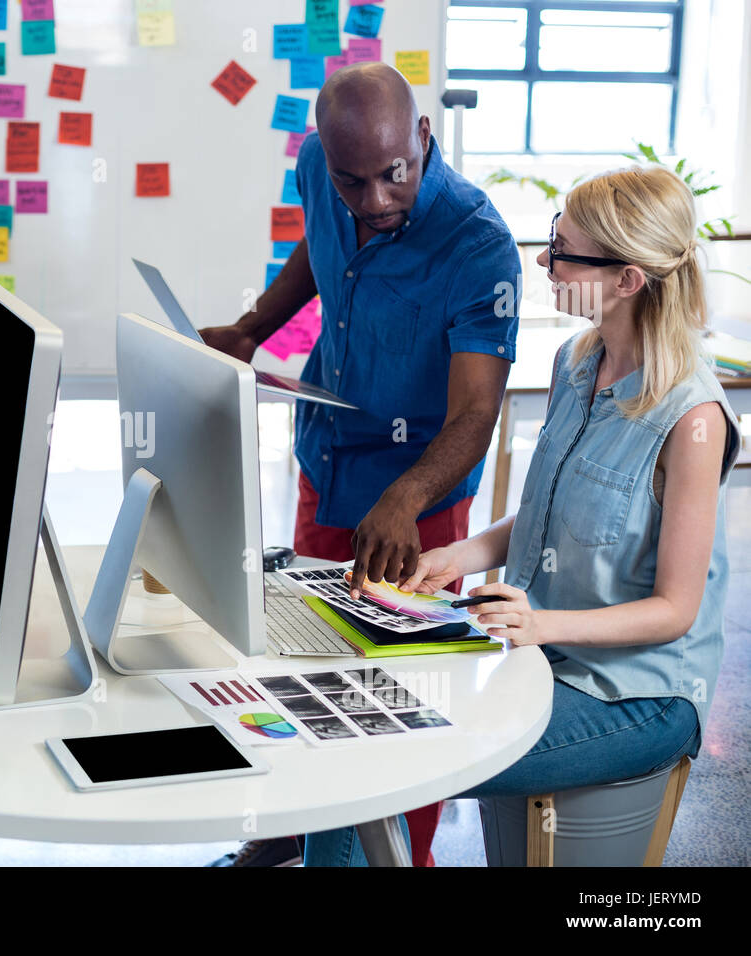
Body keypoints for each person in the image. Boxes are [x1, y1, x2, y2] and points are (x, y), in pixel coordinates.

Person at [304, 164, 738, 865]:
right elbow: (545, 513)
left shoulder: (693, 417)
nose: (543, 260)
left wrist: (539, 623)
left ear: (627, 279)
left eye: (563, 250)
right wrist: (458, 557)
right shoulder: (576, 361)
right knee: (345, 736)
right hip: (542, 658)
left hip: (638, 694)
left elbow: (675, 610)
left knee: (371, 768)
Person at [200, 62, 521, 867]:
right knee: (306, 658)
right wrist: (253, 326)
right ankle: (294, 836)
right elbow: (321, 242)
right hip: (329, 458)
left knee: (402, 698)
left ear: (423, 137)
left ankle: (397, 857)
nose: (374, 201)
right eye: (353, 181)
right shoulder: (320, 166)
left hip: (421, 501)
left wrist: (406, 495)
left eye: (393, 175)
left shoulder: (478, 246)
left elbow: (477, 413)